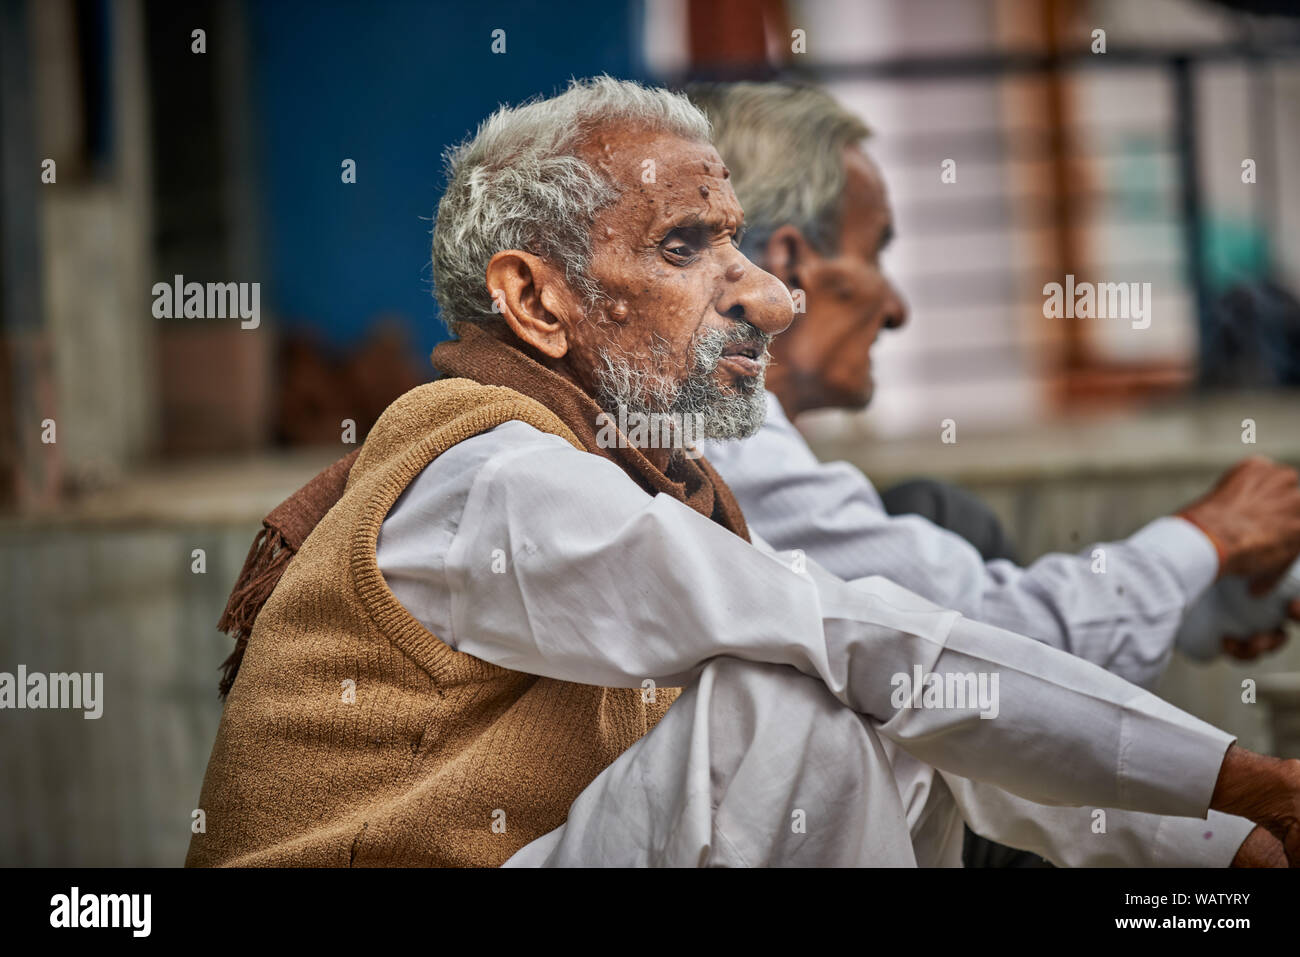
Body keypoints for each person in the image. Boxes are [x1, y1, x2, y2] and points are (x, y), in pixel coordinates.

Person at [188, 78, 1300, 869]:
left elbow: (906, 688)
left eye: (735, 241)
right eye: (684, 247)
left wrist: (1209, 839)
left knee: (849, 700)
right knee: (789, 704)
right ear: (535, 300)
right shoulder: (494, 472)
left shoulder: (634, 463)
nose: (767, 297)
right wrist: (1239, 780)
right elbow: (860, 643)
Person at [687, 80, 1300, 866]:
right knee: (945, 536)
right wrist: (1207, 537)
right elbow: (994, 659)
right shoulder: (712, 442)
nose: (897, 308)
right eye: (876, 253)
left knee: (936, 521)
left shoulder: (723, 448)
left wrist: (1196, 591)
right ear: (792, 263)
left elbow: (979, 661)